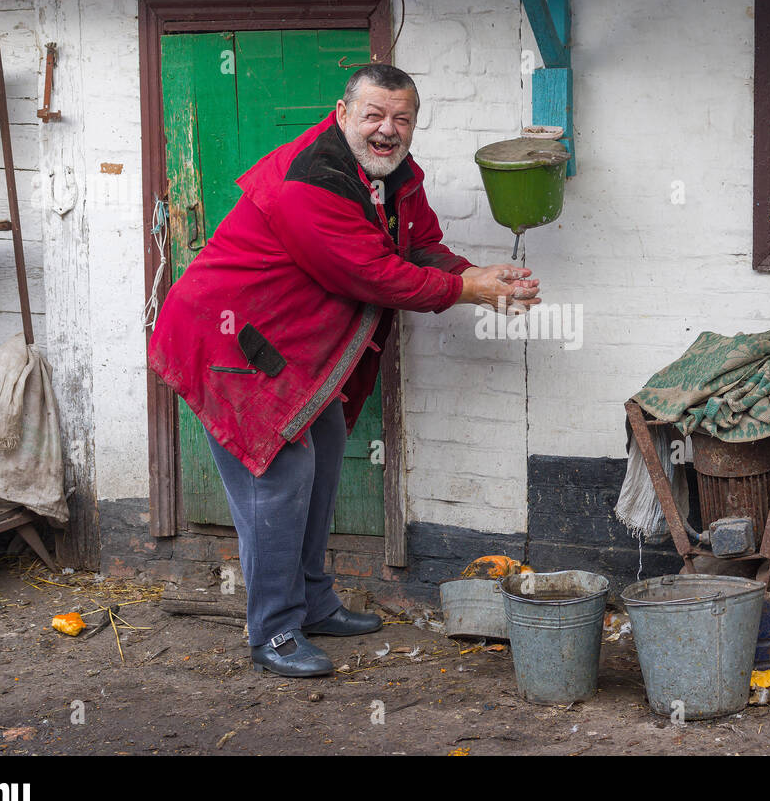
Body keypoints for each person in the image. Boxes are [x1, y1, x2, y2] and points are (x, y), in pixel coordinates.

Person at [148, 64, 539, 676]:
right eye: (374, 116)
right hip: (231, 341)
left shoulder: (394, 176)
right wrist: (469, 289)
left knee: (324, 449)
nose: (388, 131)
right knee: (277, 478)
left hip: (287, 348)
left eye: (402, 119)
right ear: (342, 112)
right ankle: (273, 632)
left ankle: (313, 602)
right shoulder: (313, 181)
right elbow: (370, 274)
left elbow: (418, 247)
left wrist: (483, 277)